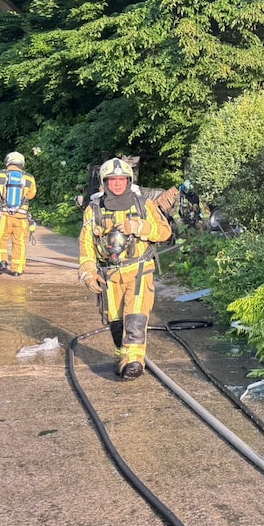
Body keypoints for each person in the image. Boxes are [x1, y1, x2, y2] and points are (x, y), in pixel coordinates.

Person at [77, 158, 173, 380]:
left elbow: (164, 232)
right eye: (113, 180)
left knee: (135, 318)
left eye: (122, 179)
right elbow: (86, 243)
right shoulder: (93, 209)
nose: (118, 183)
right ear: (105, 182)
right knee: (116, 322)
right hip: (109, 275)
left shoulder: (144, 205)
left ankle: (134, 361)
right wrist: (88, 271)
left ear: (129, 181)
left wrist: (139, 227)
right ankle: (122, 356)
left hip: (139, 270)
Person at [0, 151, 38, 276]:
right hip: (21, 217)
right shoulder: (29, 178)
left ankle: (1, 261)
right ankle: (17, 269)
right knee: (20, 242)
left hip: (3, 216)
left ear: (8, 162)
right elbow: (31, 194)